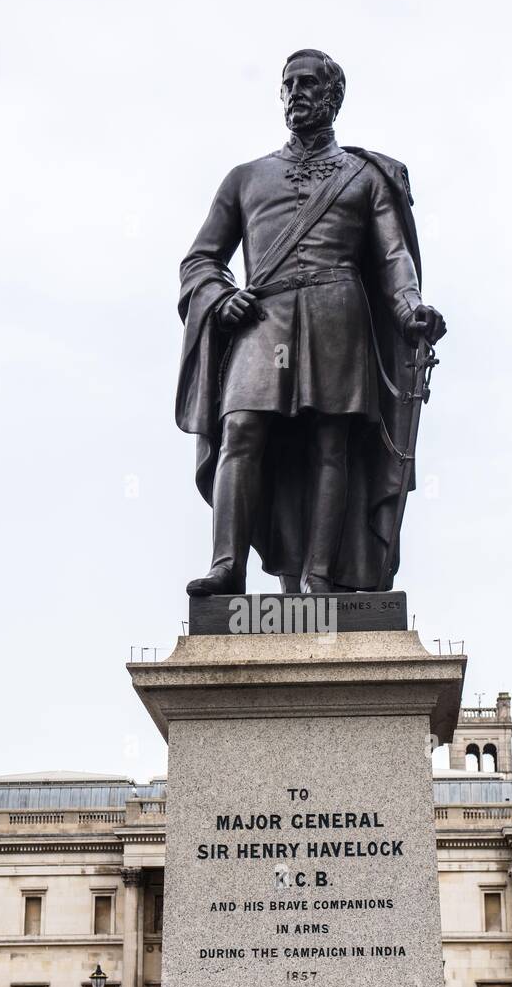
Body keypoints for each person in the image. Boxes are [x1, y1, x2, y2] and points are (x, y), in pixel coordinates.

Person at [178, 48, 446, 597]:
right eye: (287, 84)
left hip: (338, 316)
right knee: (241, 429)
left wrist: (410, 307)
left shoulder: (364, 178)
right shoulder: (245, 179)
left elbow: (394, 258)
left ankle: (319, 579)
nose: (295, 93)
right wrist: (219, 295)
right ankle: (227, 566)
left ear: (332, 97)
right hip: (264, 320)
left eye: (307, 84)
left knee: (331, 442)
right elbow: (200, 260)